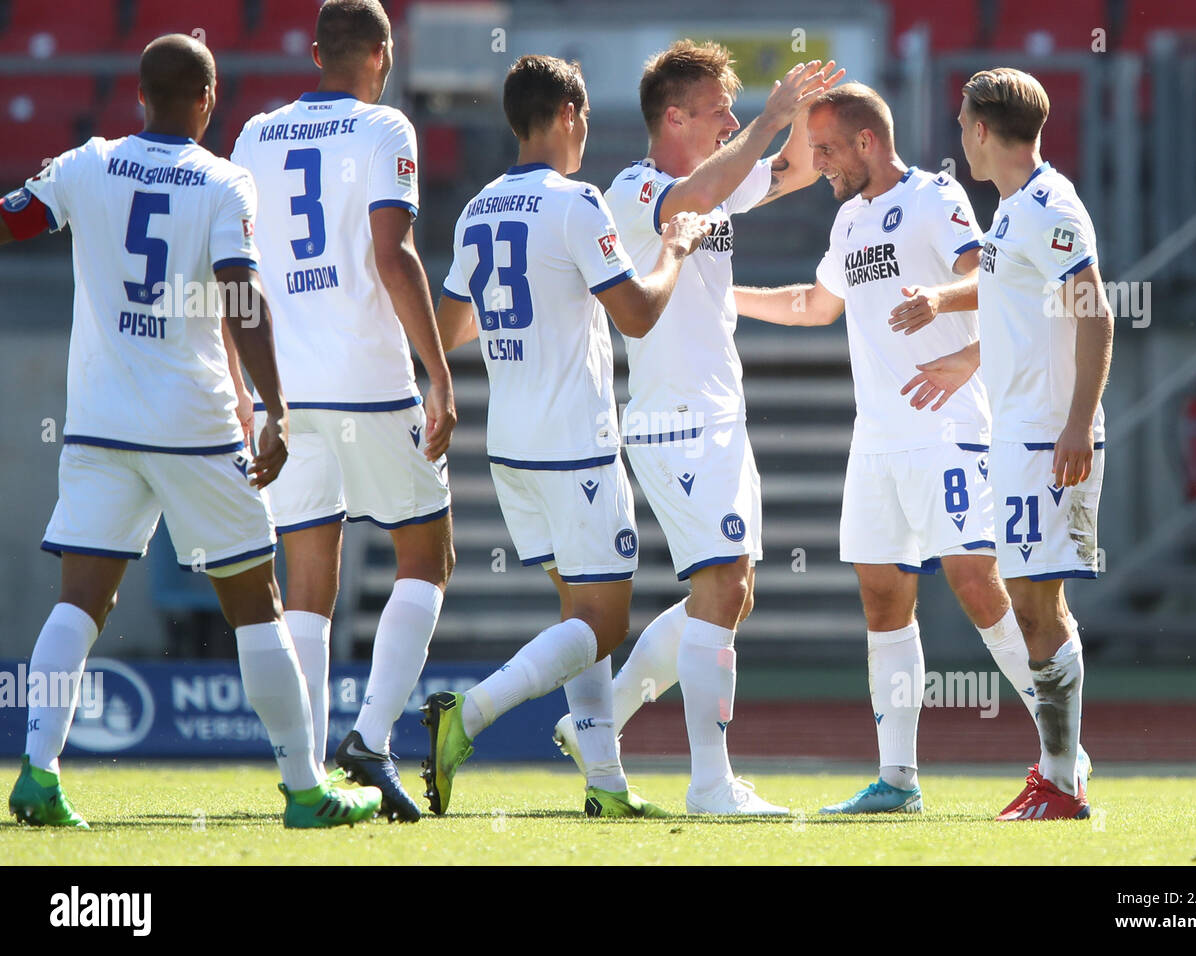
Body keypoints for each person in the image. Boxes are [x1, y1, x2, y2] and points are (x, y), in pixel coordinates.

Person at [3, 34, 380, 829]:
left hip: (100, 425)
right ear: (208, 101)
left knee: (79, 603)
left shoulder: (88, 163)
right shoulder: (221, 181)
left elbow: (14, 220)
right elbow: (241, 296)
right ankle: (305, 790)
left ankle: (37, 774)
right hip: (196, 427)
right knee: (256, 604)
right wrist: (277, 408)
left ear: (138, 96)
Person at [734, 82, 1089, 814]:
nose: (818, 164)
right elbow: (814, 305)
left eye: (826, 148)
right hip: (879, 441)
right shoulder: (848, 223)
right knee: (883, 599)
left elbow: (985, 276)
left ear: (867, 141)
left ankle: (1063, 749)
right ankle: (898, 779)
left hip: (951, 428)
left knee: (974, 579)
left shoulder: (937, 197)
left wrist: (970, 356)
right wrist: (721, 296)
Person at [551, 42, 838, 815]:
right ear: (673, 116)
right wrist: (773, 120)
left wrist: (810, 114)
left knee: (731, 593)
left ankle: (601, 721)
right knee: (723, 584)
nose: (734, 122)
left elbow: (797, 171)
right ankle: (711, 783)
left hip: (717, 415)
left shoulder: (716, 179)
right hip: (676, 420)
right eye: (718, 110)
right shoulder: (634, 187)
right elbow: (696, 196)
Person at [425, 54, 707, 817]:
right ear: (570, 115)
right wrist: (677, 248)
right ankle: (469, 714)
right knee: (605, 619)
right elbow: (640, 314)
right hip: (575, 443)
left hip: (510, 444)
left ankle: (606, 783)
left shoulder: (478, 208)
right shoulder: (578, 204)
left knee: (579, 614)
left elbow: (447, 328)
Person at [230, 0, 455, 823]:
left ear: (316, 51)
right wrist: (439, 374)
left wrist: (248, 392)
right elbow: (391, 255)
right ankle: (369, 737)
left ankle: (308, 778)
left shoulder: (254, 136)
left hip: (284, 388)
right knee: (428, 557)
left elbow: (236, 273)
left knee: (308, 588)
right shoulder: (386, 128)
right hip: (366, 377)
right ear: (384, 52)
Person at [902, 68, 1111, 820]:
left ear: (983, 131)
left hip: (1047, 437)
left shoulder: (1052, 208)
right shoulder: (1014, 213)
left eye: (962, 124)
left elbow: (1096, 314)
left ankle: (1061, 781)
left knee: (1038, 607)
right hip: (1017, 433)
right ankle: (1059, 774)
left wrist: (1079, 423)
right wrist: (964, 351)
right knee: (1029, 603)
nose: (959, 136)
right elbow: (1016, 301)